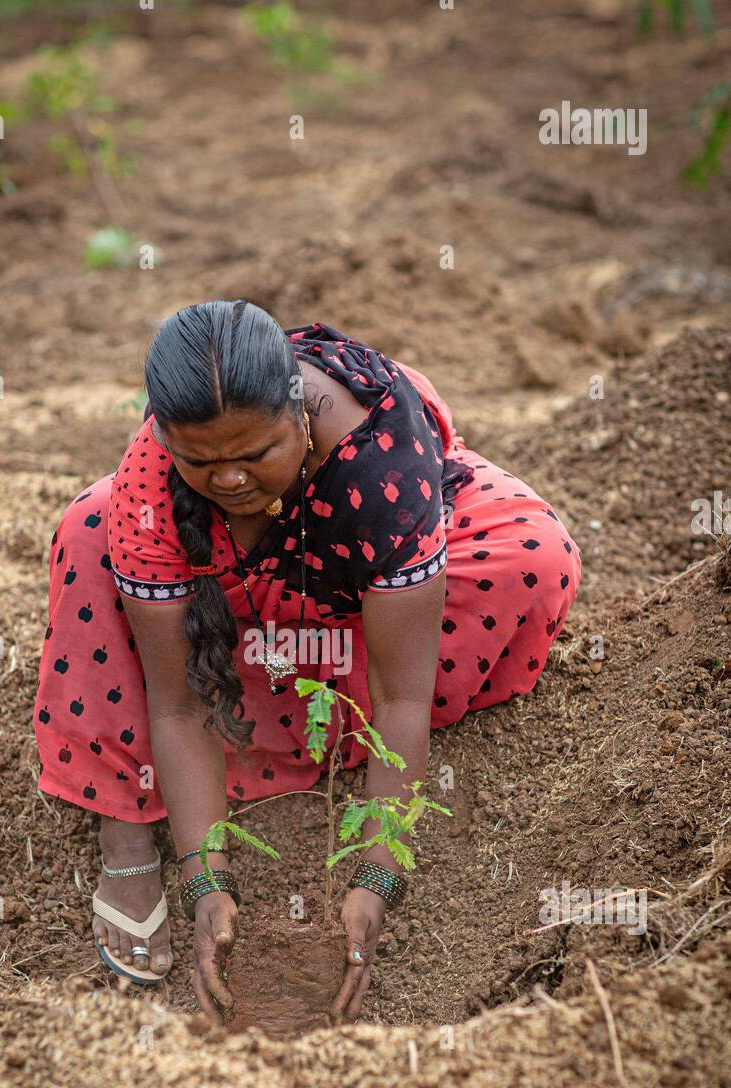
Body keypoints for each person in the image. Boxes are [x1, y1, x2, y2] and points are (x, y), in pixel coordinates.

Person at [34, 300, 580, 1021]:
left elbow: (401, 698)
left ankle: (278, 703)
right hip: (235, 591)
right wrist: (205, 882)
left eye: (254, 456)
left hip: (357, 589)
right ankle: (122, 808)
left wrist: (378, 875)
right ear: (165, 437)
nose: (228, 481)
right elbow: (178, 704)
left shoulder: (379, 469)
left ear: (300, 416)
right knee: (90, 528)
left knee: (534, 558)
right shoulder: (152, 482)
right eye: (202, 462)